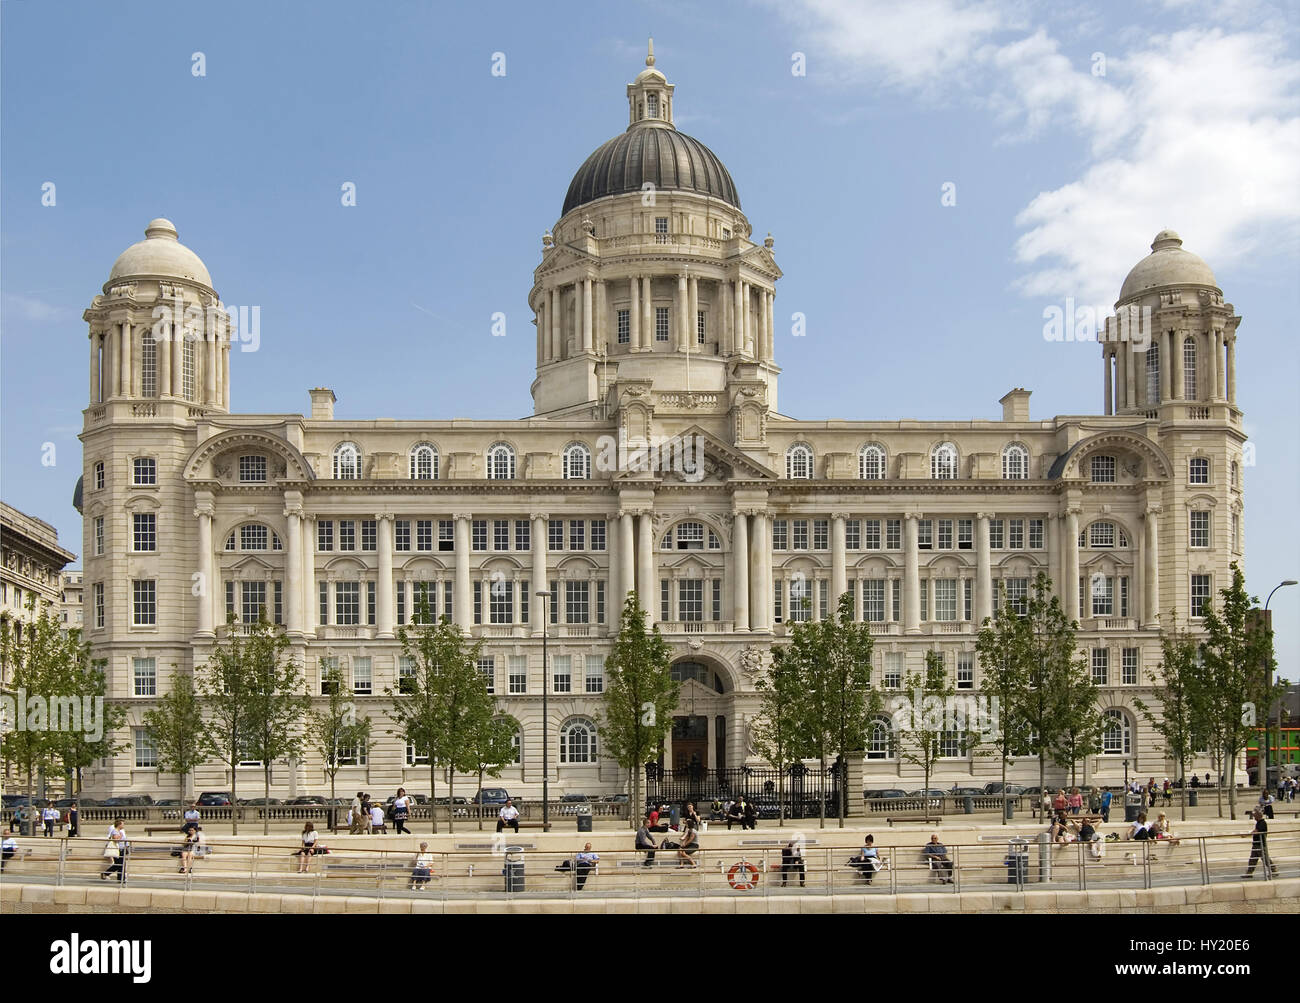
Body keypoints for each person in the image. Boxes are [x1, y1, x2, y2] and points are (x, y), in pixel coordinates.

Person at [1243, 808, 1276, 879]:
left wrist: (1246, 835)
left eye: (1255, 815)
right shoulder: (1258, 823)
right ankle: (1249, 873)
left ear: (1258, 815)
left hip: (1260, 845)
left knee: (1266, 859)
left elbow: (1256, 831)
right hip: (1256, 844)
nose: (1254, 817)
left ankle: (1274, 871)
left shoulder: (1262, 823)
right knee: (1252, 860)